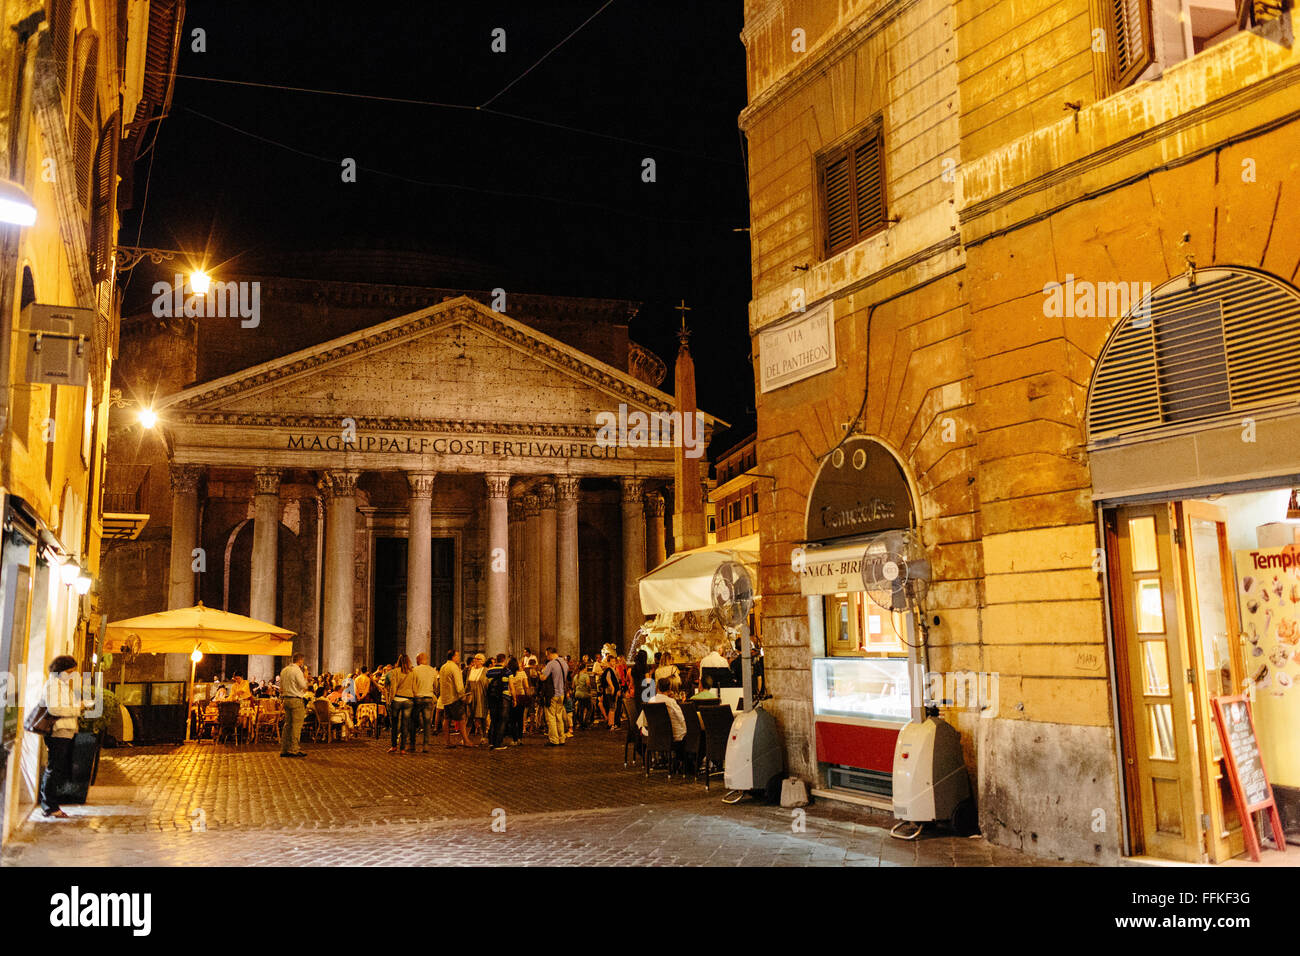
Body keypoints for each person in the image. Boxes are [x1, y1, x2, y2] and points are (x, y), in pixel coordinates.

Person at [36, 655, 84, 818]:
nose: (71, 675)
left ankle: (50, 804)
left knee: (58, 769)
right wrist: (77, 709)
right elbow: (55, 710)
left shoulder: (62, 686)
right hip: (58, 732)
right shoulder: (53, 685)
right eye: (69, 671)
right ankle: (49, 805)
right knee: (54, 768)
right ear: (60, 670)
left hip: (66, 732)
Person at [439, 649, 474, 748]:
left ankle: (447, 741)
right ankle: (466, 740)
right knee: (462, 719)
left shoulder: (443, 667)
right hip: (454, 698)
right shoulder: (454, 667)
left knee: (447, 719)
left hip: (445, 697)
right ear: (453, 657)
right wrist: (462, 695)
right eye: (457, 656)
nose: (459, 657)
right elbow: (458, 684)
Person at [636, 676, 687, 743]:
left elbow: (644, 721)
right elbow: (681, 719)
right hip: (672, 737)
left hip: (653, 735)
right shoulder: (671, 702)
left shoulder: (651, 700)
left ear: (657, 688)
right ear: (669, 688)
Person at [279, 653, 310, 758]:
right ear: (300, 661)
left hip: (286, 699)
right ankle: (294, 749)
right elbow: (303, 686)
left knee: (287, 725)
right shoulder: (297, 671)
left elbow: (281, 687)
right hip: (296, 699)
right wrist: (305, 677)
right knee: (296, 726)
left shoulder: (284, 670)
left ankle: (284, 749)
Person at [386, 654, 417, 754]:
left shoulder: (395, 672)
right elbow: (414, 688)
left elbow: (393, 687)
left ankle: (394, 746)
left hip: (397, 699)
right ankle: (403, 748)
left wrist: (391, 699)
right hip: (408, 700)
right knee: (405, 724)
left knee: (394, 725)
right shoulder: (412, 672)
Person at [539, 647, 568, 746]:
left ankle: (554, 740)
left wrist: (540, 673)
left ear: (550, 654)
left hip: (552, 694)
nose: (547, 657)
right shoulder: (564, 663)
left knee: (551, 717)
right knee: (559, 716)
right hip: (562, 693)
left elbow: (543, 678)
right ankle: (562, 738)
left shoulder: (551, 664)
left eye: (547, 655)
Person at [411, 653, 439, 752]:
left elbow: (412, 685)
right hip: (428, 697)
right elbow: (436, 685)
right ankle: (426, 745)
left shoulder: (414, 670)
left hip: (417, 698)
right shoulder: (432, 670)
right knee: (427, 722)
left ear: (418, 660)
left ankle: (412, 744)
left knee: (414, 722)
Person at [485, 654, 511, 750]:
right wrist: (515, 698)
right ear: (504, 660)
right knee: (502, 720)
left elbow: (486, 684)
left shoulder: (489, 671)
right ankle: (498, 743)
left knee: (493, 719)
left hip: (492, 697)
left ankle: (491, 742)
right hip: (504, 697)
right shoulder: (507, 671)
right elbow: (511, 685)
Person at [505, 657, 528, 746]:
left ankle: (514, 739)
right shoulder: (522, 673)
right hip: (521, 696)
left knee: (512, 720)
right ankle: (520, 738)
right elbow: (526, 686)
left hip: (511, 696)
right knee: (520, 718)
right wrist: (527, 695)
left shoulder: (508, 674)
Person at [466, 653, 489, 736]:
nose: (475, 660)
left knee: (482, 716)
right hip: (471, 696)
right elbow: (467, 684)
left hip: (481, 695)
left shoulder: (486, 670)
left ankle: (483, 736)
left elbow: (487, 684)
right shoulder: (470, 670)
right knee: (469, 717)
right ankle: (465, 737)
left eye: (478, 659)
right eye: (475, 658)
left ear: (482, 661)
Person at [600, 658, 622, 730]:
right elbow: (608, 678)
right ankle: (610, 724)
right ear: (609, 662)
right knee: (612, 707)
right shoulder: (609, 670)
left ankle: (611, 724)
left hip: (613, 690)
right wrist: (612, 687)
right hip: (610, 691)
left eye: (614, 661)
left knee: (613, 707)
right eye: (612, 661)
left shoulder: (612, 670)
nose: (614, 662)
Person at [572, 664, 593, 730]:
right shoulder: (585, 675)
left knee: (581, 709)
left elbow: (573, 686)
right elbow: (588, 684)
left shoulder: (576, 676)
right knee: (590, 708)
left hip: (577, 694)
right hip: (585, 694)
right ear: (584, 668)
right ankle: (586, 722)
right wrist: (590, 692)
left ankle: (581, 723)